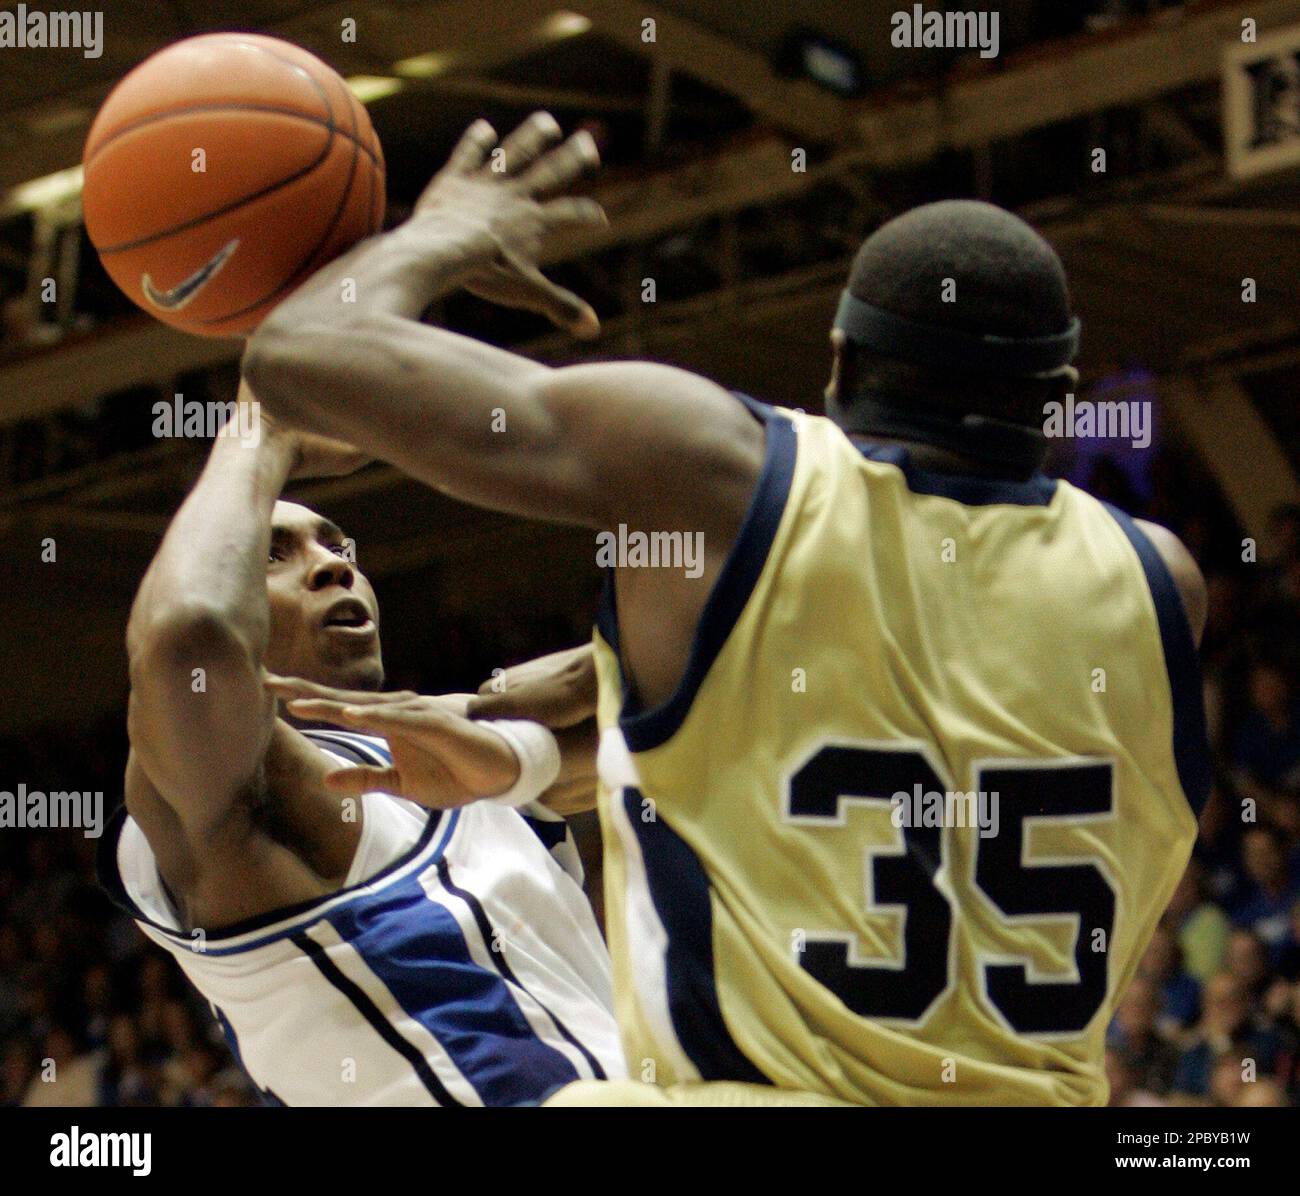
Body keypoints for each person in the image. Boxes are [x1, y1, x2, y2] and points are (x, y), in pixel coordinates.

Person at [241, 113, 1210, 1106]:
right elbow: (911, 692)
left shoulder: (722, 476)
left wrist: (441, 232)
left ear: (838, 361)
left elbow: (295, 354)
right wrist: (558, 724)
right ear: (1056, 397)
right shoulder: (1157, 581)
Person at [99, 386, 623, 1106]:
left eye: (339, 548)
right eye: (273, 554)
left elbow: (693, 691)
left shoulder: (469, 749)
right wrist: (263, 431)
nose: (333, 566)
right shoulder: (230, 797)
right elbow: (189, 635)